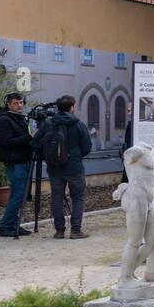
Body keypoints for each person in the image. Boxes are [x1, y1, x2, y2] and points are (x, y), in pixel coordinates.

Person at [30, 95, 92, 239]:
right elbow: (87, 147)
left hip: (54, 168)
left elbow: (35, 144)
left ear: (57, 108)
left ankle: (59, 230)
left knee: (56, 197)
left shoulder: (48, 123)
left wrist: (48, 156)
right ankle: (76, 230)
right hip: (74, 167)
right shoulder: (79, 124)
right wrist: (75, 156)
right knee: (77, 197)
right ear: (72, 108)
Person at [0, 92, 34, 237]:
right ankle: (4, 226)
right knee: (18, 195)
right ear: (9, 104)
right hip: (14, 162)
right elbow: (7, 142)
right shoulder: (4, 120)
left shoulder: (19, 118)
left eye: (21, 102)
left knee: (19, 195)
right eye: (16, 103)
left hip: (22, 160)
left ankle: (14, 225)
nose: (19, 105)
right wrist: (29, 137)